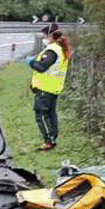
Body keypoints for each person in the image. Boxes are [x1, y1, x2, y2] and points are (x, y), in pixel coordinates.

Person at [27, 22, 71, 151]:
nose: (44, 39)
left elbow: (41, 67)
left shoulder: (52, 50)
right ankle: (52, 138)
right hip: (53, 88)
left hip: (45, 89)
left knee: (41, 115)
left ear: (51, 36)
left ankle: (48, 141)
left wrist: (31, 62)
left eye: (45, 36)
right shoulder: (60, 49)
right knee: (51, 115)